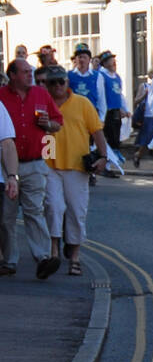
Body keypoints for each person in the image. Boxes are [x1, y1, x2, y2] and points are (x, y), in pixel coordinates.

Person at [41, 66, 108, 276]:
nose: (58, 86)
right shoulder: (41, 103)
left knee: (76, 212)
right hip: (48, 164)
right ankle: (54, 252)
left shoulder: (82, 103)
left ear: (67, 82)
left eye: (61, 81)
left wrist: (104, 157)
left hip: (77, 166)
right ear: (47, 85)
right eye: (53, 82)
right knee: (53, 207)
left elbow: (96, 131)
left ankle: (75, 256)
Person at [0, 57, 63, 278]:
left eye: (30, 71)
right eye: (25, 71)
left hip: (35, 162)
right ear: (13, 75)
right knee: (6, 217)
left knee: (34, 211)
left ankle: (43, 257)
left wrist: (48, 125)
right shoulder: (1, 96)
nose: (30, 75)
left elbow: (58, 123)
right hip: (6, 167)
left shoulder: (41, 94)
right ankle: (9, 261)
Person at [97, 52, 129, 152]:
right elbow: (100, 95)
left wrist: (125, 109)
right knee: (109, 137)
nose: (114, 63)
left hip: (116, 111)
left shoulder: (117, 77)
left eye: (114, 61)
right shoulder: (101, 76)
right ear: (105, 64)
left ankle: (114, 157)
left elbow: (120, 94)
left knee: (116, 136)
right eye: (111, 61)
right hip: (107, 112)